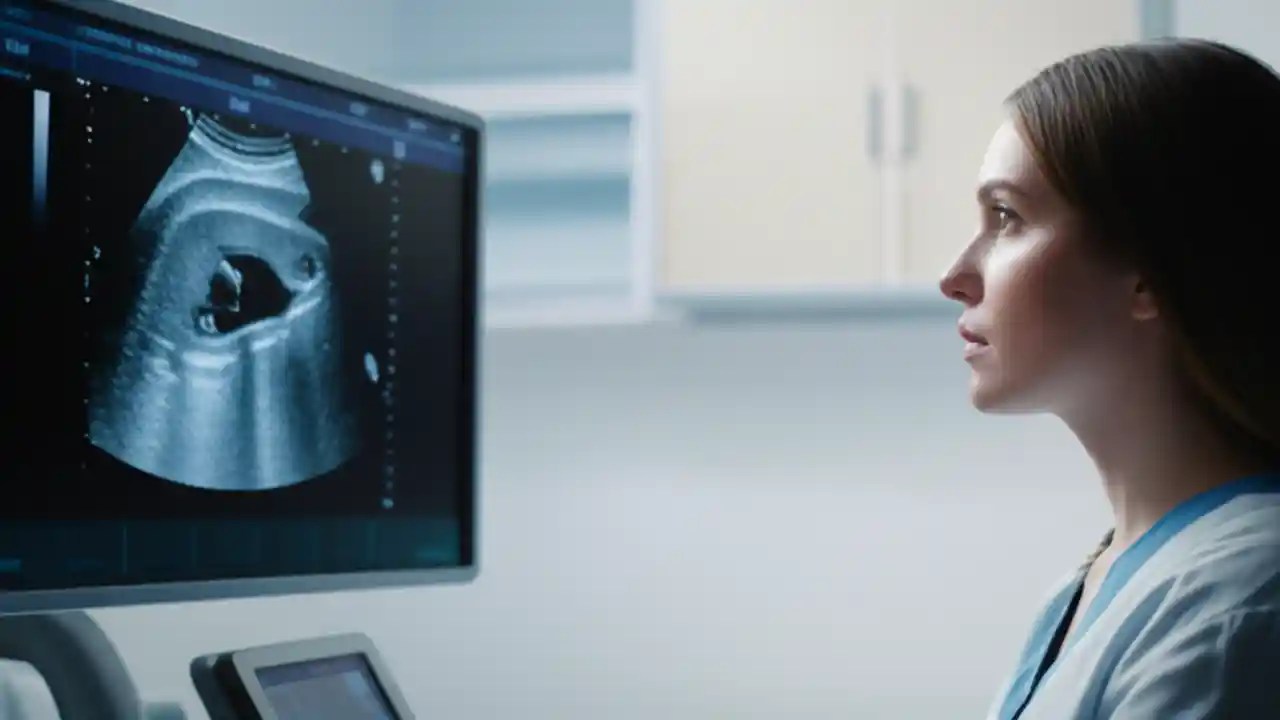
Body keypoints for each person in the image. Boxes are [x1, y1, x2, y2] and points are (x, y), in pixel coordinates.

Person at [939, 38, 1280, 719]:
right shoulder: (1096, 588)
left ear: (1152, 270)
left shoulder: (1236, 609)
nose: (954, 277)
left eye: (1007, 218)